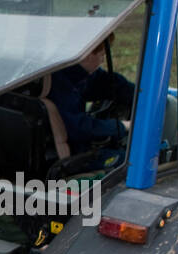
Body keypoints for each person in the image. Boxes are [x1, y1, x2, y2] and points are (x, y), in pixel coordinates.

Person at [46, 34, 135, 170]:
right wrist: (122, 126)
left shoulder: (70, 73)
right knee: (132, 161)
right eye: (102, 55)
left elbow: (107, 82)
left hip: (74, 147)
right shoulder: (62, 87)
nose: (103, 60)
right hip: (76, 157)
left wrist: (139, 94)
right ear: (87, 56)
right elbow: (79, 128)